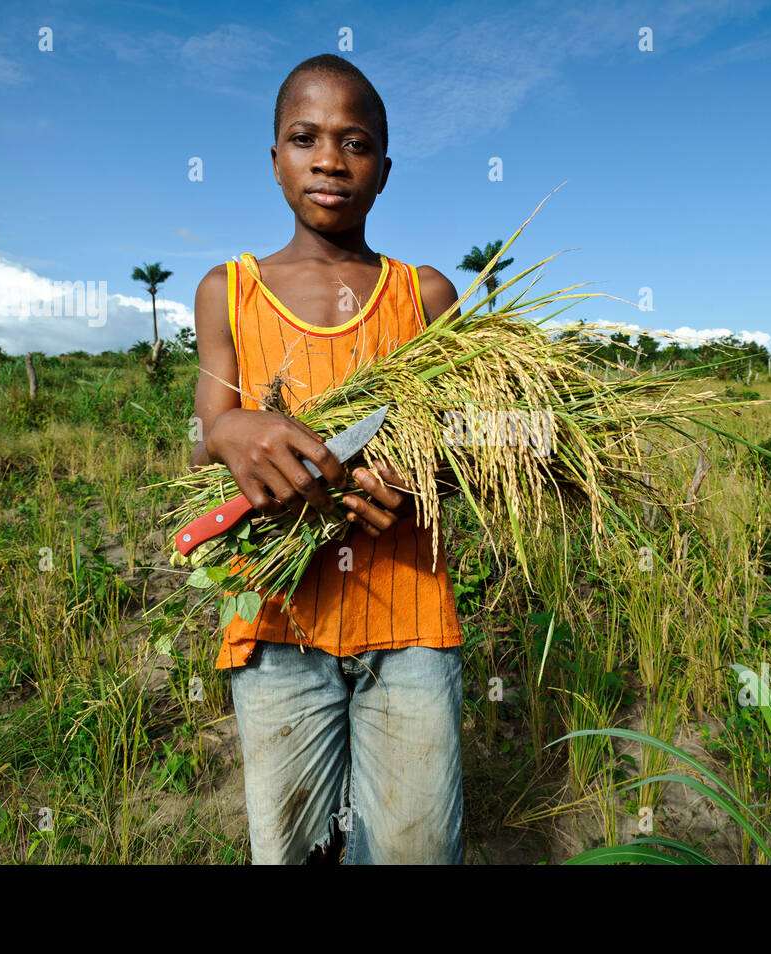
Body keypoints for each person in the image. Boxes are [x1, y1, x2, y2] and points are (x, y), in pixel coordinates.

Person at [189, 54, 466, 865]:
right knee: (293, 849)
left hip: (408, 614)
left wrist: (420, 482)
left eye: (356, 142)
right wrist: (234, 431)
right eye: (304, 137)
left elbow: (462, 442)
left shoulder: (426, 295)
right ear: (274, 157)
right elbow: (207, 439)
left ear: (384, 169)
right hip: (276, 620)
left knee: (415, 847)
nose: (329, 159)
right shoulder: (227, 289)